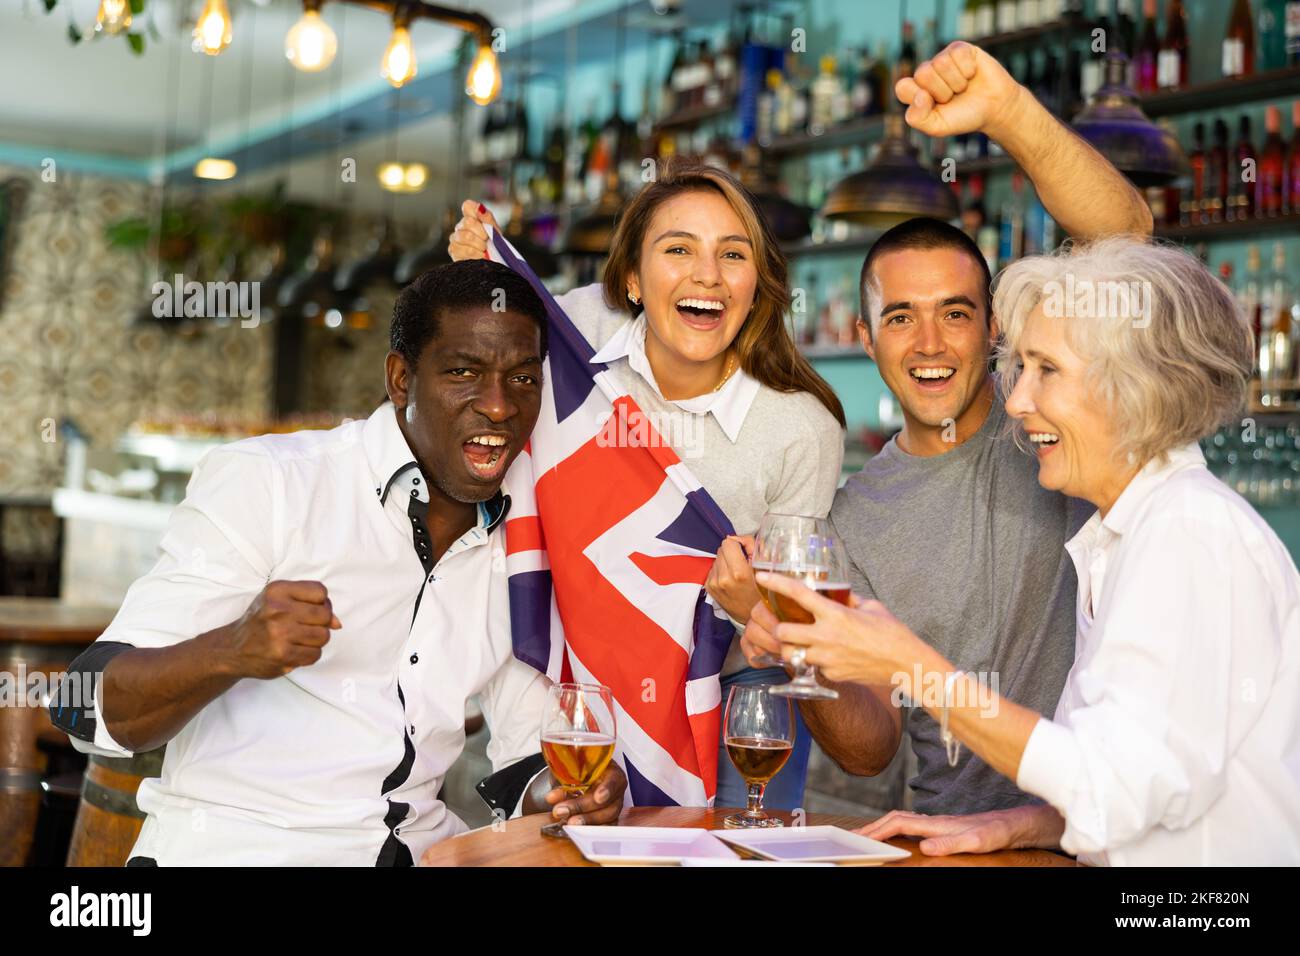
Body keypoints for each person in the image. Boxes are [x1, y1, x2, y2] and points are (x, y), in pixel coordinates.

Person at [50, 261, 626, 865]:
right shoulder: (271, 482)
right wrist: (232, 648)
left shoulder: (521, 535)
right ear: (401, 378)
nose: (499, 406)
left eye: (523, 379)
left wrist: (567, 794)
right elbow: (83, 707)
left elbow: (526, 745)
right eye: (464, 372)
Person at [757, 235, 1300, 865]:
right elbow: (1144, 784)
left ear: (1130, 385)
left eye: (1047, 371)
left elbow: (1112, 792)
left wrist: (912, 665)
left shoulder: (1189, 534)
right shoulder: (1123, 536)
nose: (1016, 400)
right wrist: (1021, 824)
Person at [742, 40, 1152, 816]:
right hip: (951, 837)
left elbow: (1126, 238)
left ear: (993, 326)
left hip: (1099, 820)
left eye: (954, 314)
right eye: (901, 319)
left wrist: (1007, 113)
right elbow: (869, 750)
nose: (929, 345)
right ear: (867, 340)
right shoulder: (850, 519)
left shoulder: (1056, 418)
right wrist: (799, 634)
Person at [447, 160, 846, 810]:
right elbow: (467, 377)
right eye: (678, 249)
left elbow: (800, 625)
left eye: (733, 254)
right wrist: (480, 270)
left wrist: (755, 605)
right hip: (575, 693)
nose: (707, 275)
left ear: (757, 285)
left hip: (726, 708)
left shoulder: (803, 428)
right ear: (632, 278)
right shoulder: (573, 331)